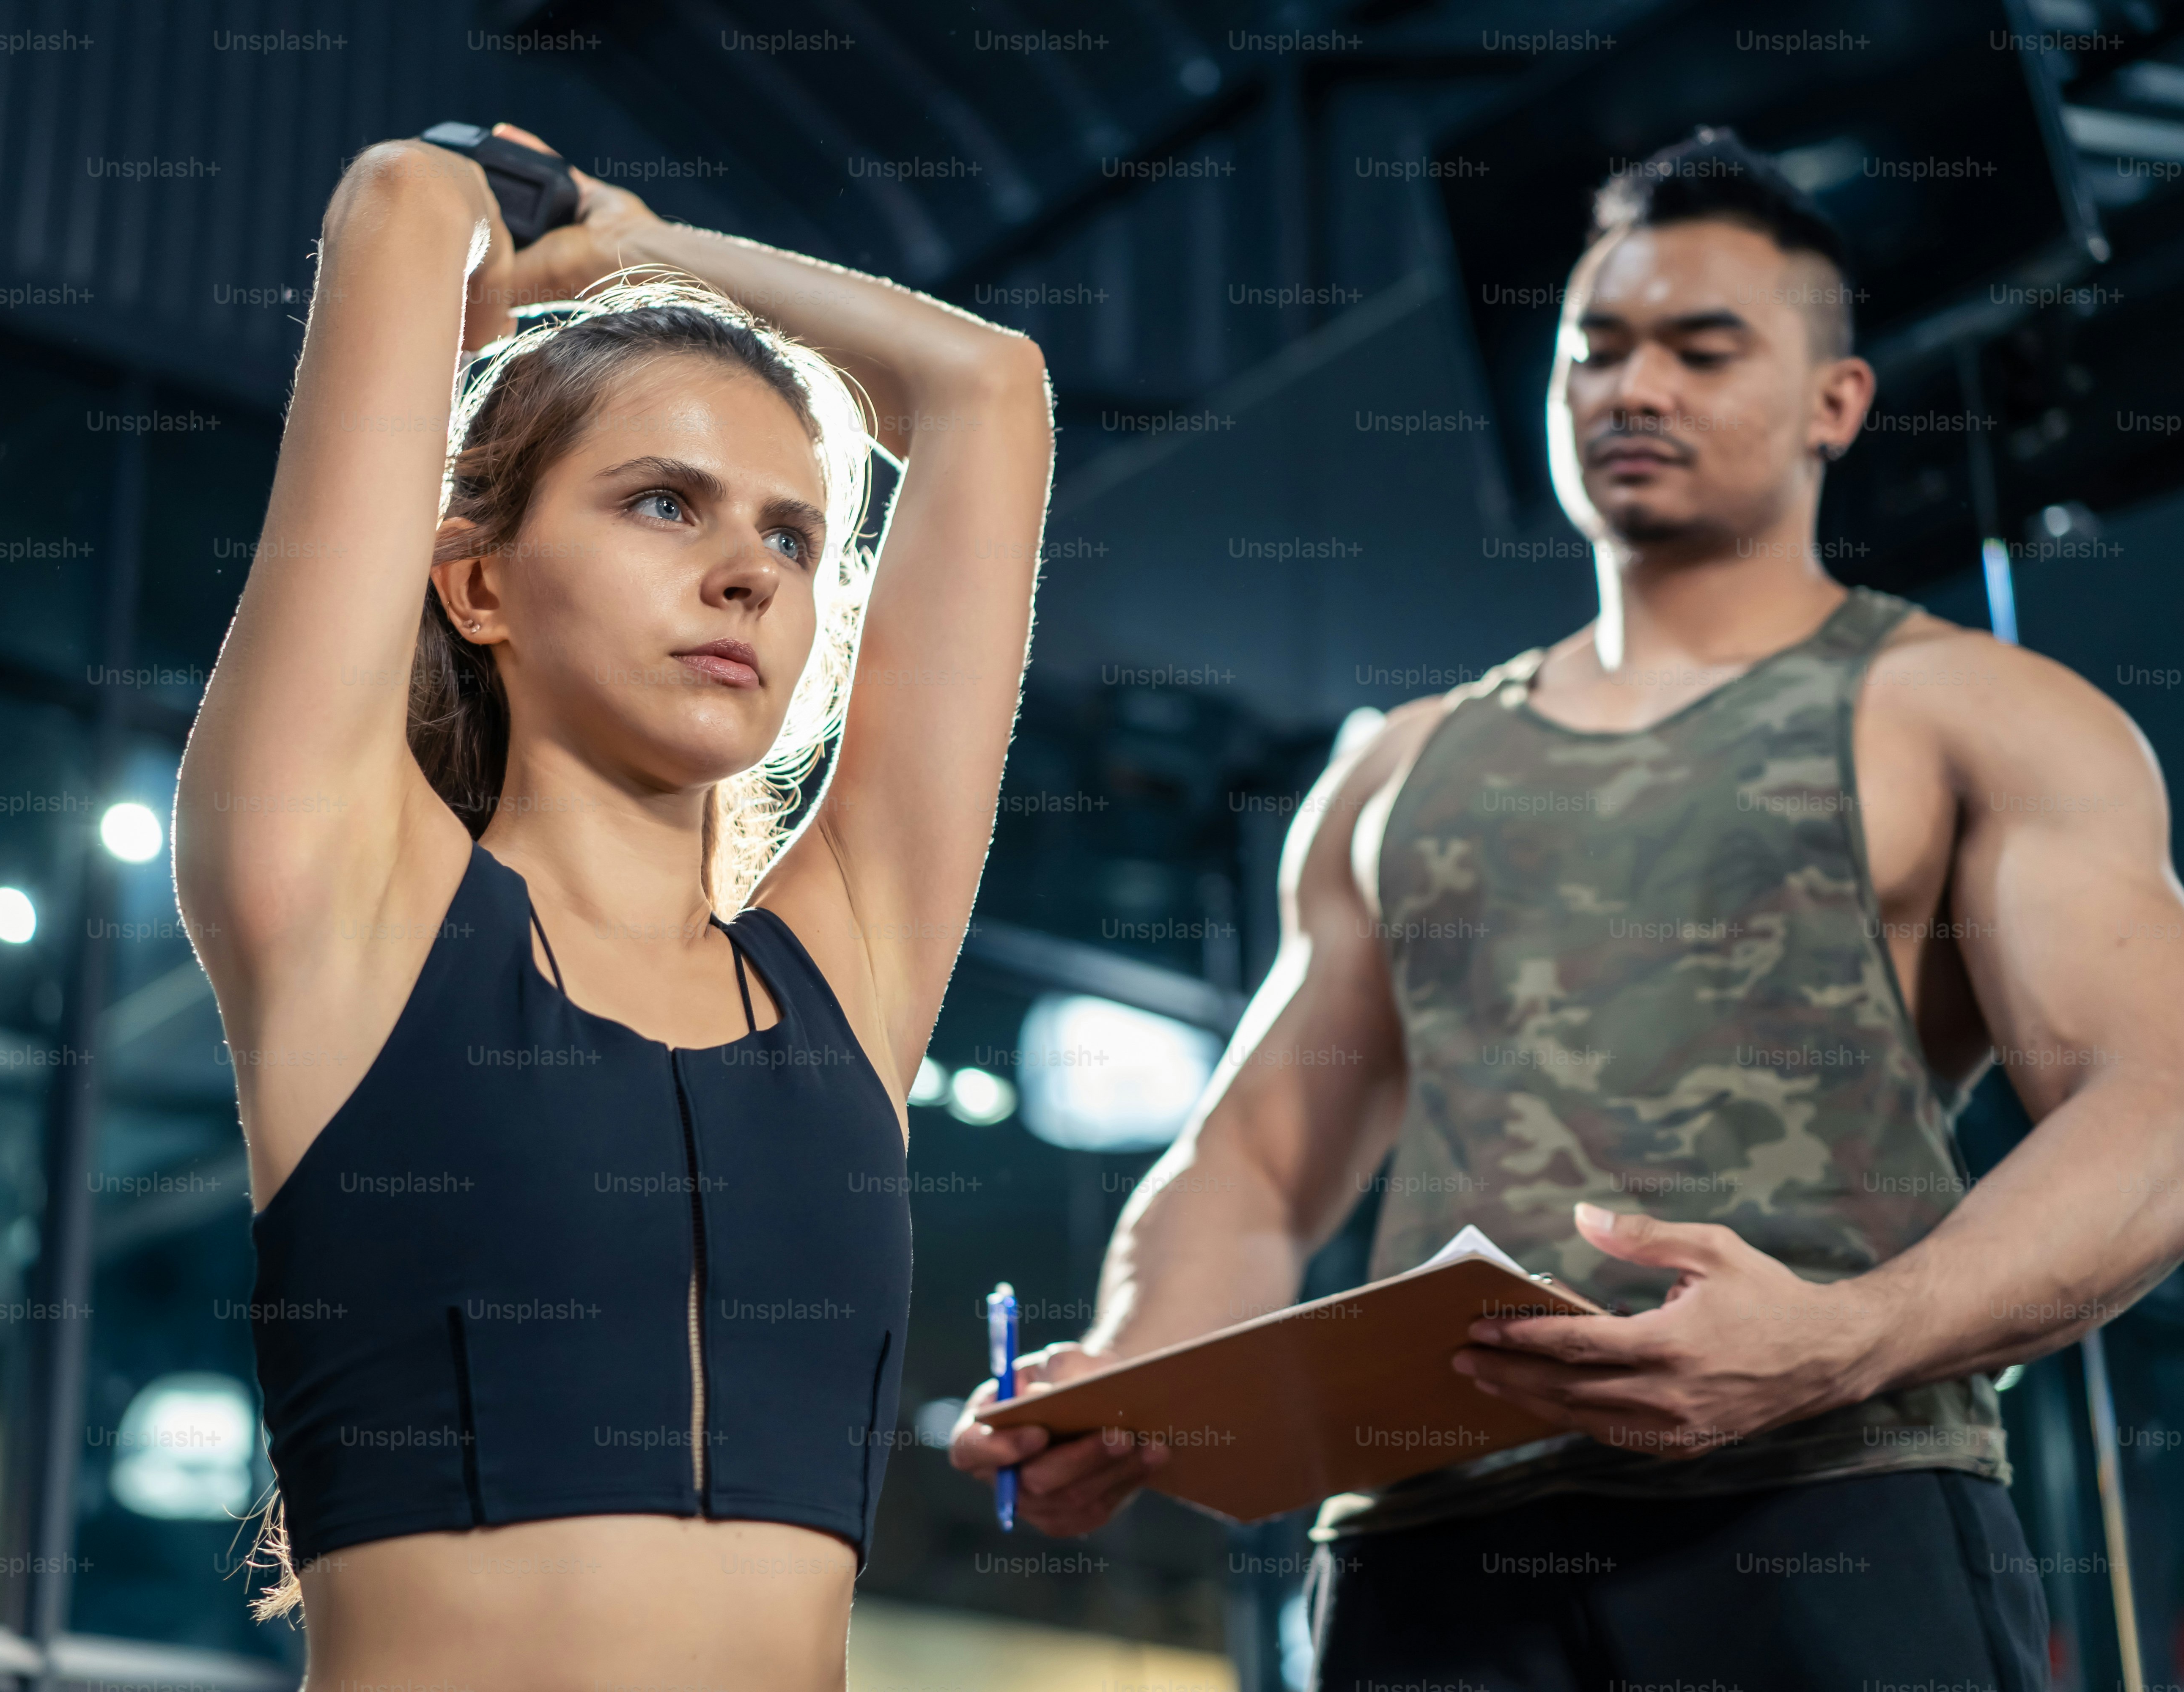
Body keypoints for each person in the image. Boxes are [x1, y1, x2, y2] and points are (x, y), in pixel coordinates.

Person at [950, 127, 2184, 1689]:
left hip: (1824, 1507)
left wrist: (1847, 1338)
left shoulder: (1975, 711)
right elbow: (1257, 1160)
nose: (1633, 387)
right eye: (1594, 349)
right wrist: (1134, 1373)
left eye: (1700, 347)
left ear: (1836, 403)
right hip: (1425, 1554)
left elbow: (2155, 1104)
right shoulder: (1399, 766)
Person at [172, 124, 1049, 1690]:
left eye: (791, 535)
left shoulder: (847, 973)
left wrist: (640, 255)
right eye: (666, 504)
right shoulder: (344, 912)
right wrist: (535, 231)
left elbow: (988, 394)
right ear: (479, 585)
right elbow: (399, 198)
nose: (751, 577)